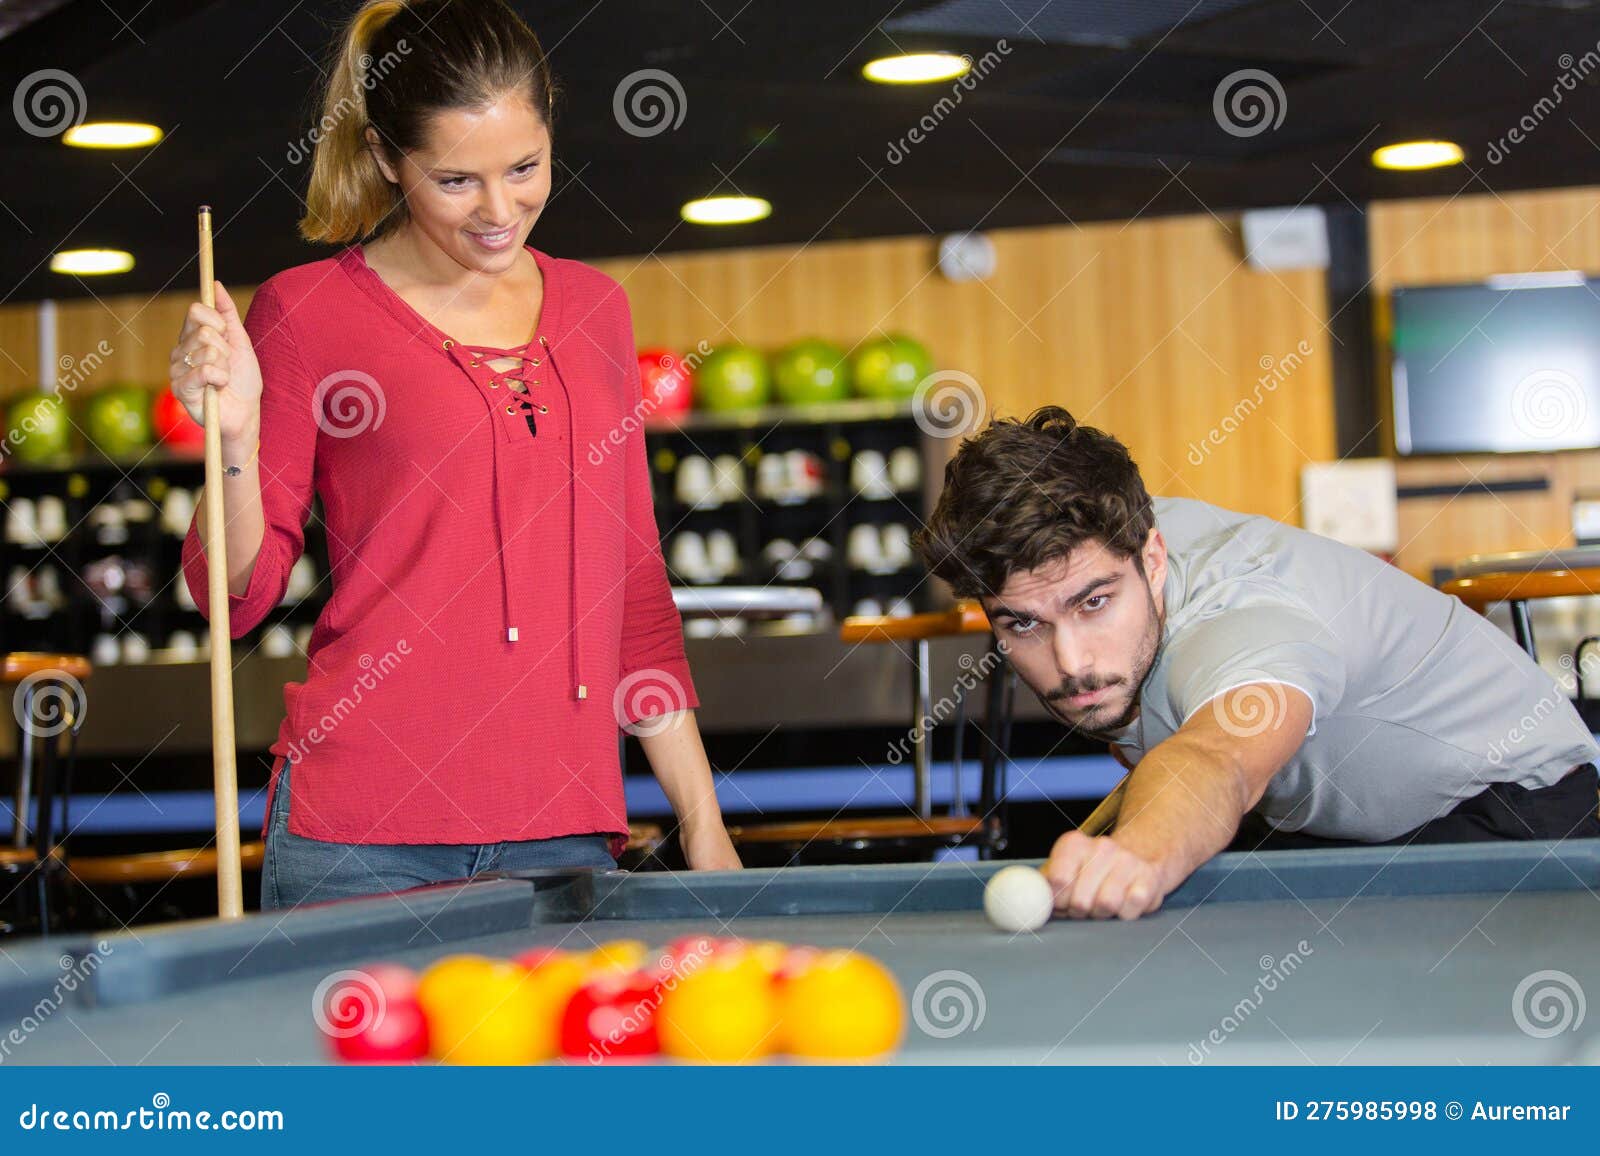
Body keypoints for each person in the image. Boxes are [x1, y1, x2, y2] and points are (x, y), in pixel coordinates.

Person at [168, 0, 740, 909]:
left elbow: (632, 589)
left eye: (525, 168)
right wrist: (234, 432)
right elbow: (231, 597)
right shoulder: (305, 311)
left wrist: (703, 823)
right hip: (360, 835)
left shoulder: (596, 311)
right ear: (388, 161)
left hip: (566, 825)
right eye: (456, 181)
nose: (498, 209)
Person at [917, 407, 1600, 921]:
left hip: (1516, 814)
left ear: (1152, 560)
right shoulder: (1105, 538)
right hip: (1337, 826)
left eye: (1094, 603)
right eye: (1025, 624)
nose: (1072, 661)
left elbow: (1218, 758)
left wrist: (1143, 851)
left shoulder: (1246, 623)